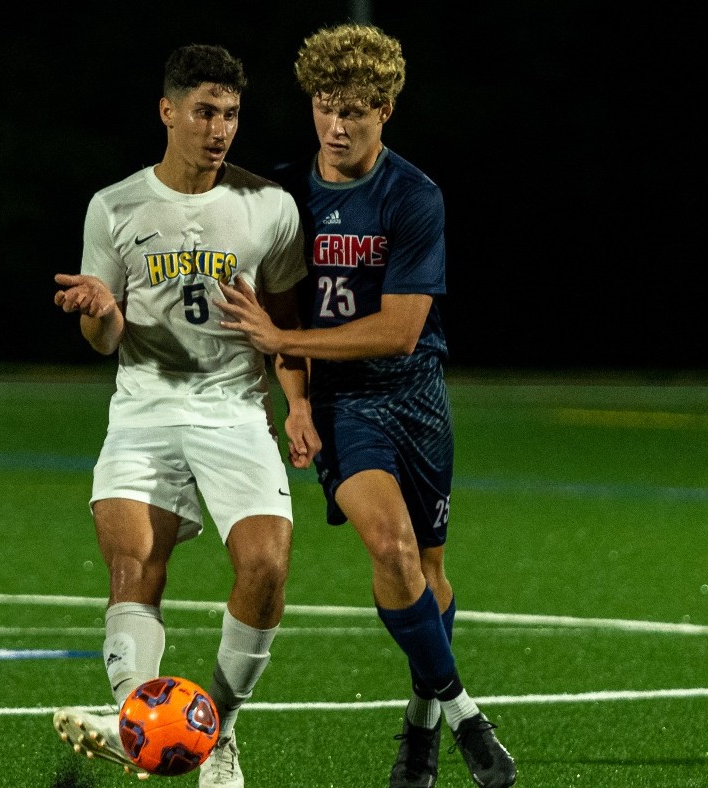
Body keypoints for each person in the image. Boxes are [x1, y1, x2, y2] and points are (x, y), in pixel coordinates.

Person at [216, 23, 516, 788]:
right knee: (390, 548)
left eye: (355, 110)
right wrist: (297, 402)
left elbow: (402, 328)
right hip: (345, 404)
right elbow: (270, 296)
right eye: (325, 107)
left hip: (414, 394)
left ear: (386, 110)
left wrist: (286, 339)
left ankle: (417, 732)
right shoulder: (283, 193)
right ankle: (464, 716)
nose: (337, 126)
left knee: (430, 569)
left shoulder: (413, 196)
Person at [50, 42, 319, 788]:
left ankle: (217, 734)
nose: (219, 128)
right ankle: (141, 721)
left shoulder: (269, 207)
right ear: (168, 112)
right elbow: (102, 336)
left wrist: (297, 402)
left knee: (266, 568)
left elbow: (285, 322)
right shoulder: (116, 206)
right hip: (144, 407)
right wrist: (102, 312)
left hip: (235, 409)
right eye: (204, 111)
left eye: (230, 114)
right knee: (133, 563)